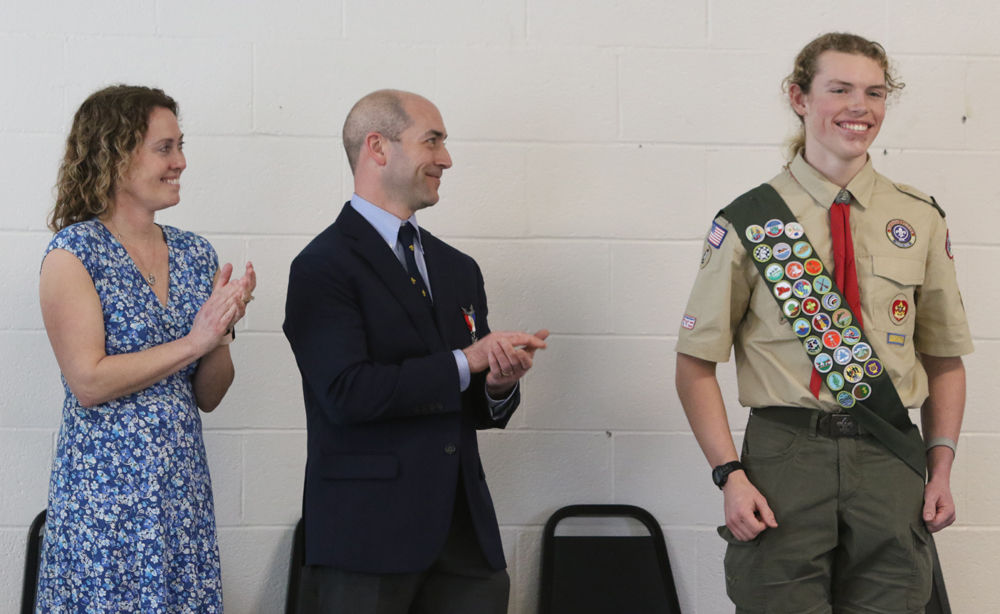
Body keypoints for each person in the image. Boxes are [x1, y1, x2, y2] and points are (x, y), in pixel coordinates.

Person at [675, 33, 972, 613]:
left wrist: (940, 467)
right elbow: (694, 365)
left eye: (874, 92)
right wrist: (729, 474)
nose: (859, 107)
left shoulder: (920, 217)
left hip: (889, 456)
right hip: (785, 457)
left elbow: (944, 359)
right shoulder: (750, 221)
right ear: (799, 98)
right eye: (839, 89)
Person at [283, 89, 548, 614]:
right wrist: (467, 361)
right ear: (377, 148)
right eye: (433, 141)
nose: (446, 159)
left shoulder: (458, 268)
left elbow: (471, 405)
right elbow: (347, 393)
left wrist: (497, 383)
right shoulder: (322, 266)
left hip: (465, 538)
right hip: (367, 540)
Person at [35, 85, 256, 612]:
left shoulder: (195, 252)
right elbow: (87, 382)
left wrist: (221, 333)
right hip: (103, 508)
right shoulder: (73, 255)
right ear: (114, 154)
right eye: (165, 148)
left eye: (180, 146)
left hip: (181, 503)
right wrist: (194, 340)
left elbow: (208, 394)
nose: (180, 161)